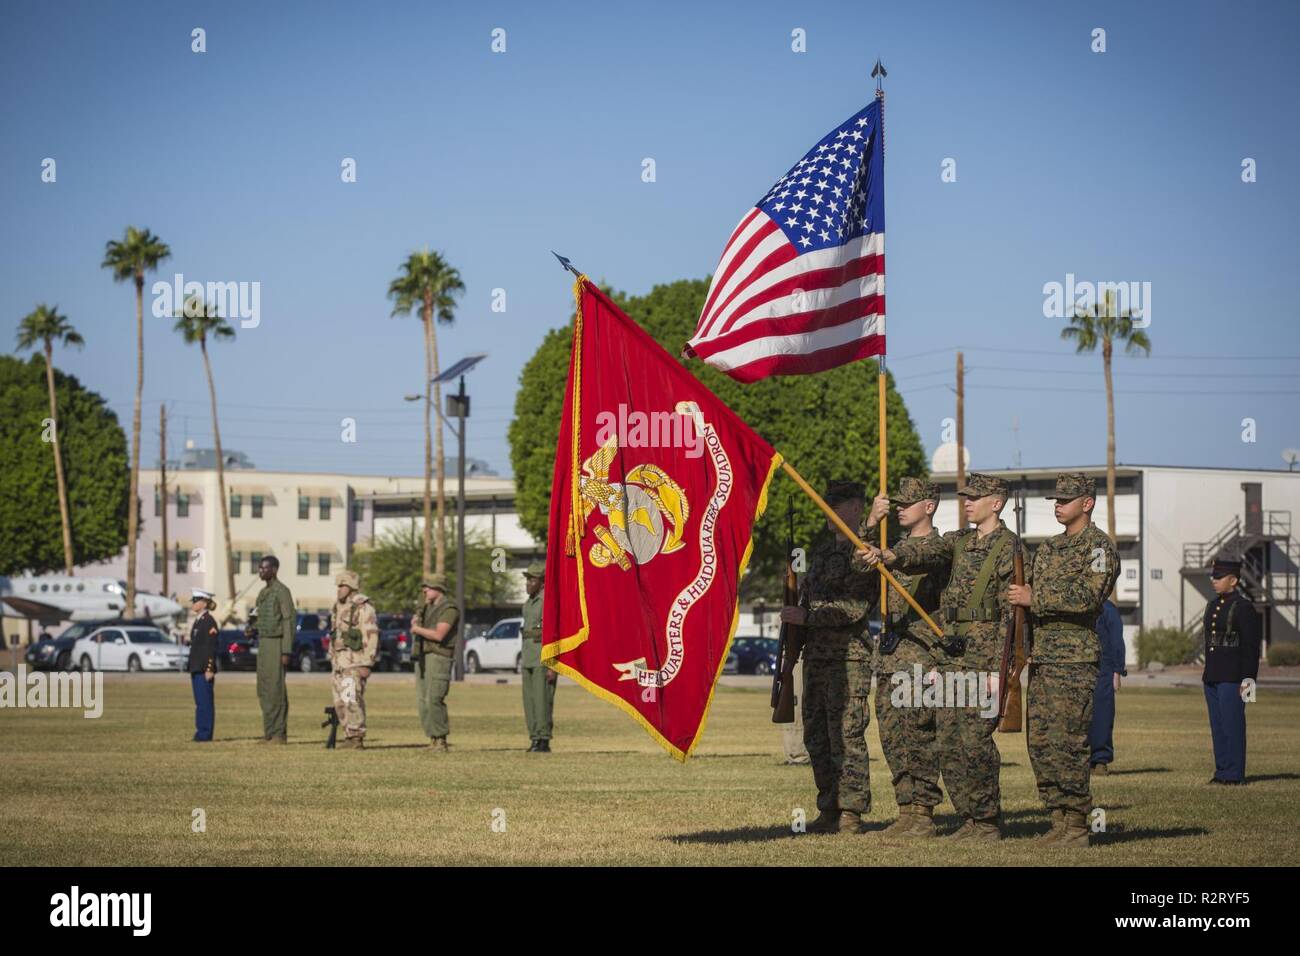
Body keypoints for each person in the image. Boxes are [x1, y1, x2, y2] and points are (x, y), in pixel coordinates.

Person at [860, 472, 1019, 842]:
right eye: (965, 497)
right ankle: (967, 820)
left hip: (982, 655)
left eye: (975, 497)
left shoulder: (1009, 545)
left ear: (996, 502)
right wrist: (890, 551)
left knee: (973, 741)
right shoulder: (958, 541)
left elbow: (1013, 609)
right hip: (953, 657)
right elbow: (928, 550)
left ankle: (985, 820)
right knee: (949, 741)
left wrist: (1008, 662)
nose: (967, 502)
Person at [1010, 473, 1119, 847]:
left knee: (1068, 743)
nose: (1058, 506)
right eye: (1055, 500)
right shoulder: (1050, 547)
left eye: (1065, 500)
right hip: (1042, 658)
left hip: (1074, 662)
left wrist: (1033, 597)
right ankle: (1056, 819)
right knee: (1041, 744)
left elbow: (1088, 597)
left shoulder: (1100, 548)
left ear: (1087, 503)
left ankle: (1076, 824)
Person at [781, 480, 876, 834]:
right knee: (817, 736)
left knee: (846, 737)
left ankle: (851, 811)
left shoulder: (864, 555)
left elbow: (854, 608)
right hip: (817, 658)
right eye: (826, 503)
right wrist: (794, 623)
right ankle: (829, 807)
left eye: (835, 504)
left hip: (848, 659)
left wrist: (806, 617)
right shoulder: (819, 556)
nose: (828, 510)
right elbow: (807, 602)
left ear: (855, 508)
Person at [858, 477, 950, 839]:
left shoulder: (939, 547)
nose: (900, 508)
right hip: (891, 655)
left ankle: (924, 813)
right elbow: (857, 566)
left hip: (921, 655)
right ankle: (906, 810)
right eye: (897, 503)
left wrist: (890, 555)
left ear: (928, 506)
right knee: (894, 736)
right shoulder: (888, 543)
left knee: (919, 734)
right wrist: (868, 525)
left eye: (908, 503)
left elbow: (922, 556)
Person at [1202, 557, 1261, 785]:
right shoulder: (1213, 605)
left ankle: (1235, 774)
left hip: (1235, 677)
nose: (1213, 580)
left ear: (1233, 580)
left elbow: (1250, 647)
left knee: (1233, 725)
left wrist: (1249, 681)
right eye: (1213, 576)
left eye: (1219, 577)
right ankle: (1222, 771)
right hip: (1213, 676)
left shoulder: (1244, 608)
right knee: (1218, 727)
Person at [329, 570, 379, 749]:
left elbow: (371, 636)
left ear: (351, 587)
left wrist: (367, 662)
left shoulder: (363, 608)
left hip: (354, 662)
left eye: (342, 586)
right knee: (339, 701)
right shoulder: (338, 607)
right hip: (339, 662)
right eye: (338, 586)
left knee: (351, 699)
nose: (339, 589)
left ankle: (357, 736)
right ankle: (348, 734)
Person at [412, 576, 459, 753]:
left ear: (439, 589)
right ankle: (432, 737)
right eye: (424, 587)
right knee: (422, 700)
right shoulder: (425, 608)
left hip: (439, 657)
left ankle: (441, 739)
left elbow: (439, 635)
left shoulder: (449, 608)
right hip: (424, 655)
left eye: (429, 587)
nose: (425, 591)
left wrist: (417, 629)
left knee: (434, 698)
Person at [250, 555, 295, 743]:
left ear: (274, 570)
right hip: (263, 642)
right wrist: (251, 628)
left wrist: (286, 650)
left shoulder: (282, 591)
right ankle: (268, 732)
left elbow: (288, 621)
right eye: (259, 568)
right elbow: (259, 617)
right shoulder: (263, 593)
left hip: (276, 643)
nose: (260, 571)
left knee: (276, 689)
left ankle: (279, 733)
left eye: (264, 568)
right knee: (264, 688)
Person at [519, 561, 556, 752]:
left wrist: (552, 665)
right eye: (527, 579)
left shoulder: (546, 601)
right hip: (528, 657)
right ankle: (534, 736)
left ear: (542, 582)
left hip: (542, 658)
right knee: (530, 701)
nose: (527, 583)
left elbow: (553, 633)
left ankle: (543, 740)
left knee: (542, 701)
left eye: (532, 579)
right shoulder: (529, 602)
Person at [1089, 598, 1126, 773]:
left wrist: (1117, 671)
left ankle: (1100, 760)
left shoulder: (1108, 609)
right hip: (1081, 666)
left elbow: (1116, 641)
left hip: (1104, 668)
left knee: (1101, 715)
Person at [187, 588, 220, 742]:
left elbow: (211, 647)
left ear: (204, 602)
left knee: (205, 702)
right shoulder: (199, 621)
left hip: (203, 668)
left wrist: (209, 668)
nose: (193, 604)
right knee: (199, 702)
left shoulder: (209, 621)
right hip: (196, 667)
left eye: (195, 601)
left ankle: (205, 733)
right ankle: (200, 731)